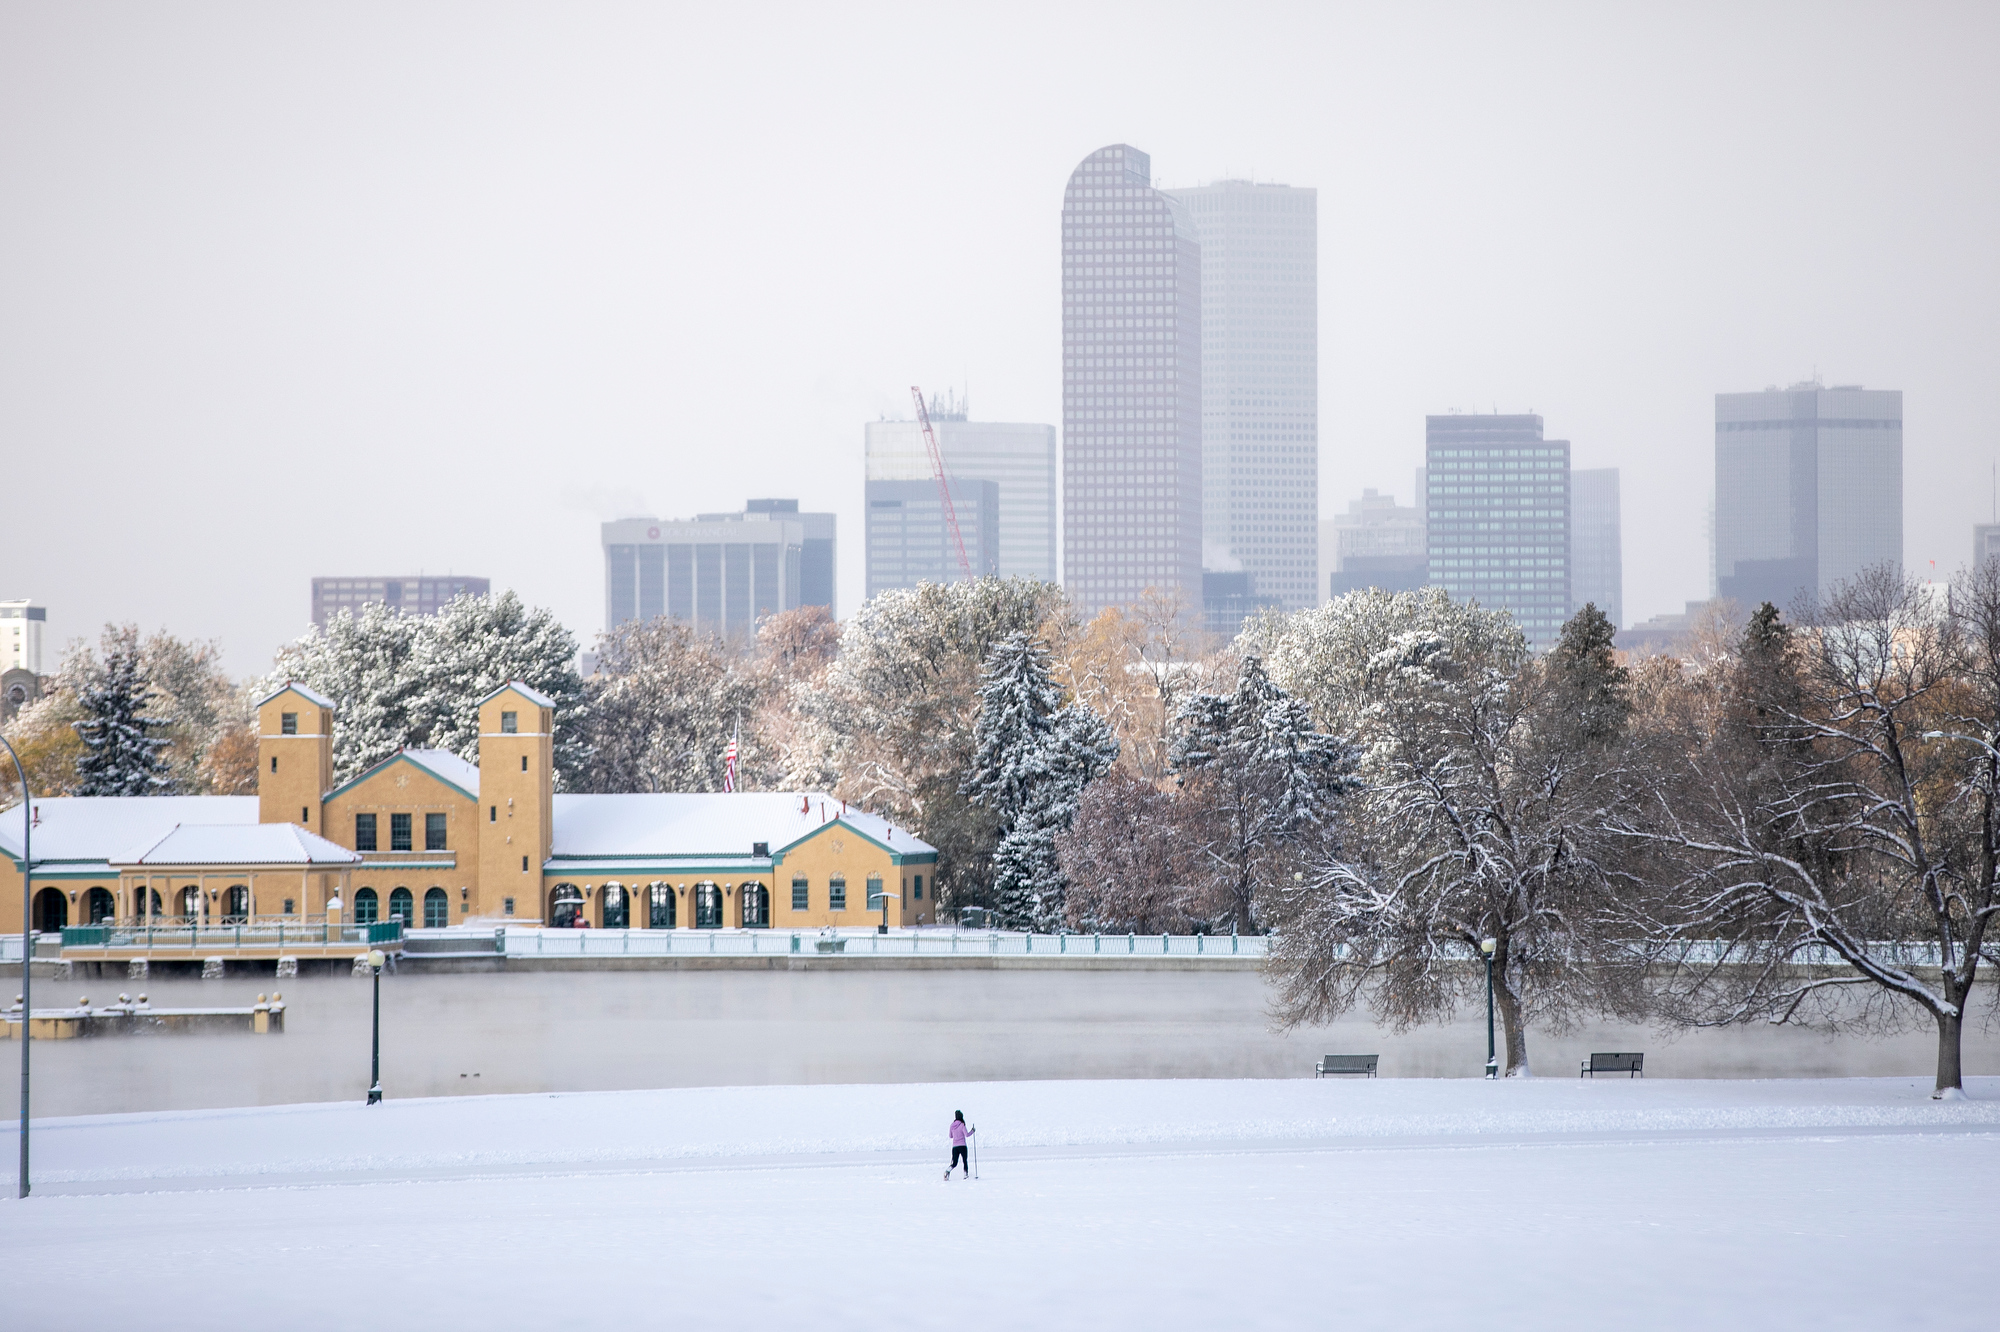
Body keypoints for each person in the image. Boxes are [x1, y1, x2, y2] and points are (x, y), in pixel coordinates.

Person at [944, 1110, 973, 1180]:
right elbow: (967, 1134)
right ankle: (965, 1174)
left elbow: (950, 1136)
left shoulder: (952, 1125)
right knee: (965, 1161)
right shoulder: (962, 1124)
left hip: (955, 1147)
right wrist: (972, 1131)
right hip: (962, 1146)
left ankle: (947, 1171)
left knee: (954, 1163)